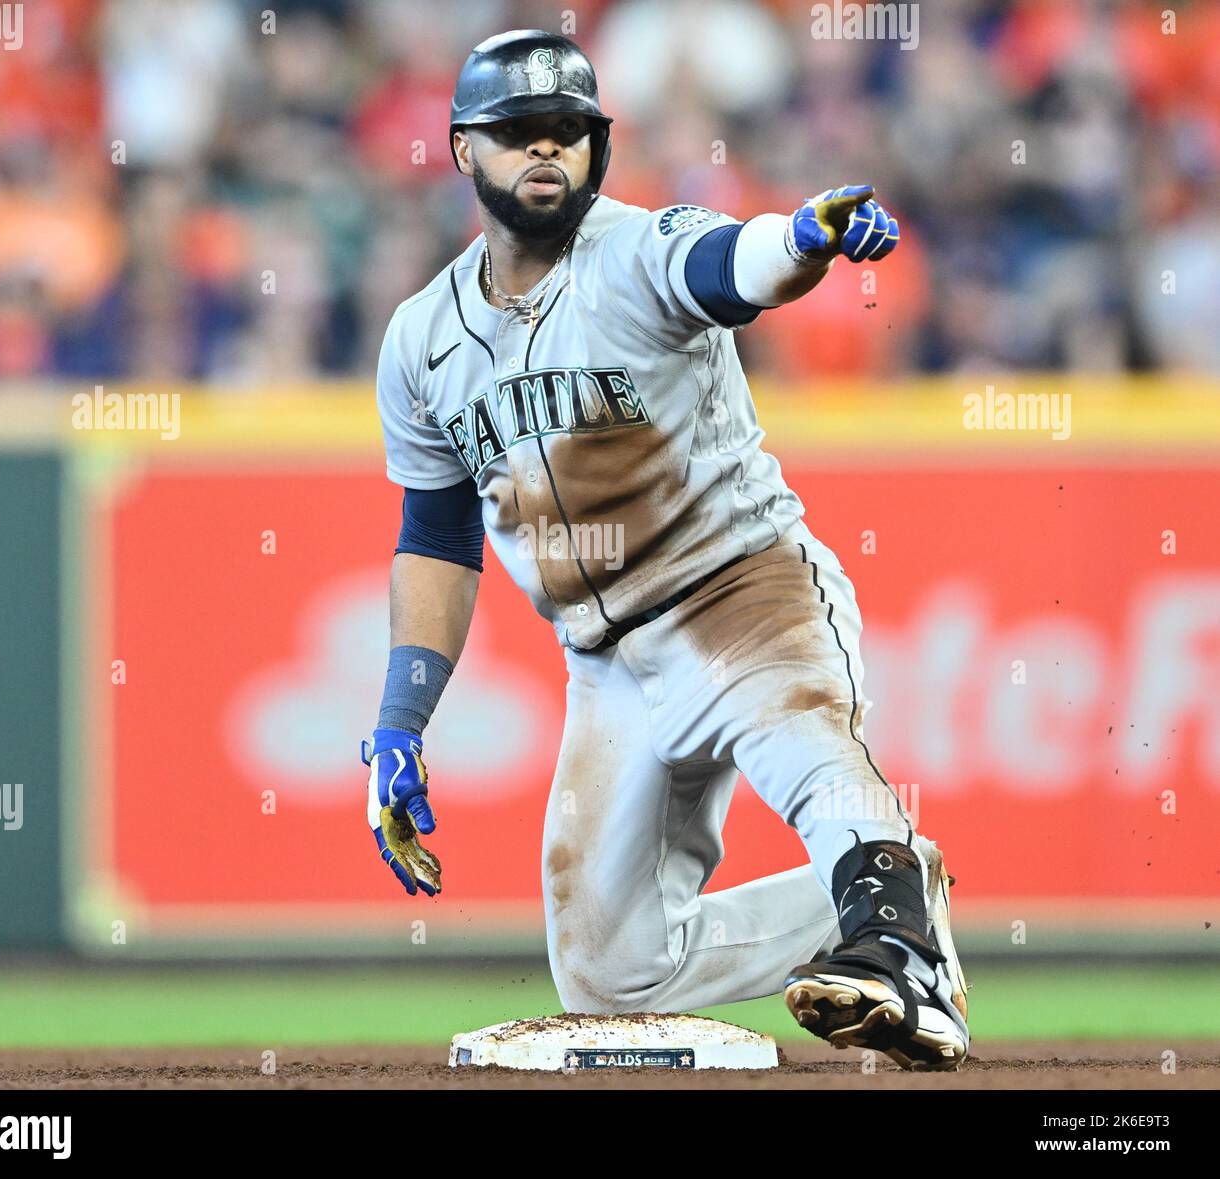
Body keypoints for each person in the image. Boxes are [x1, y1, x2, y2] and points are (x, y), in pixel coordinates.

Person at [363, 29, 969, 1070]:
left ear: (597, 146)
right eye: (518, 130)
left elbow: (733, 264)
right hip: (605, 660)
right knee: (610, 976)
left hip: (738, 587)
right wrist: (399, 719)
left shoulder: (639, 250)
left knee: (804, 743)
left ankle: (898, 945)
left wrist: (804, 240)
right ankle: (891, 889)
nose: (545, 149)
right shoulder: (422, 339)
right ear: (462, 149)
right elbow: (437, 537)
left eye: (567, 130)